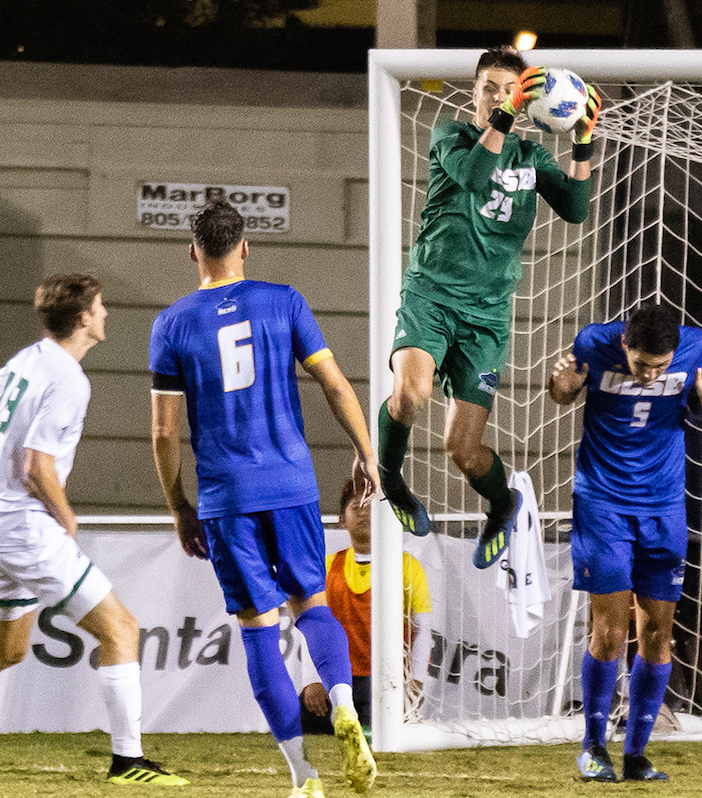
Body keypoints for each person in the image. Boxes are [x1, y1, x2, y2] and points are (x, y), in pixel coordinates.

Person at [149, 199, 379, 798]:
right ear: (245, 246)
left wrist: (178, 505)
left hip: (227, 496)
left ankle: (304, 776)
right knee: (313, 604)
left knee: (258, 630)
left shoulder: (172, 324)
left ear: (193, 251)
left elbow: (164, 431)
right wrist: (366, 452)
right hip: (292, 484)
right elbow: (332, 383)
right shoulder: (285, 301)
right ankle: (343, 702)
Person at [0, 274, 187, 786]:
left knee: (4, 650)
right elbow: (39, 466)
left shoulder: (31, 357)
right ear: (83, 317)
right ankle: (128, 761)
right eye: (99, 307)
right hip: (25, 528)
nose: (105, 314)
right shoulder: (69, 379)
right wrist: (66, 515)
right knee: (121, 629)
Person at [378, 45, 601, 570]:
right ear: (473, 93)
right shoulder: (449, 136)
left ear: (525, 102)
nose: (497, 98)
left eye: (510, 91)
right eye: (489, 89)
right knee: (410, 396)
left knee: (463, 451)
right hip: (430, 296)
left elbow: (574, 209)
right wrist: (505, 115)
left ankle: (503, 506)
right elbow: (477, 176)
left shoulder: (530, 156)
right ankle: (389, 479)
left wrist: (584, 141)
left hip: (486, 317)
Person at [548, 303, 702, 782]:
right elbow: (560, 393)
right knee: (609, 631)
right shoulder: (593, 342)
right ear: (625, 345)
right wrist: (562, 389)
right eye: (642, 366)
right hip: (604, 504)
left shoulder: (694, 346)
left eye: (661, 366)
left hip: (665, 506)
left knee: (657, 633)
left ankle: (636, 753)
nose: (653, 376)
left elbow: (698, 410)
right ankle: (593, 746)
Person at [325, 478, 432, 730]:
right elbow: (315, 628)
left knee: (381, 733)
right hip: (338, 679)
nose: (364, 514)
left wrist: (416, 681)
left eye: (371, 507)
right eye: (357, 507)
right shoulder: (328, 567)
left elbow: (423, 629)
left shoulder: (407, 565)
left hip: (390, 680)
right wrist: (311, 681)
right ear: (342, 519)